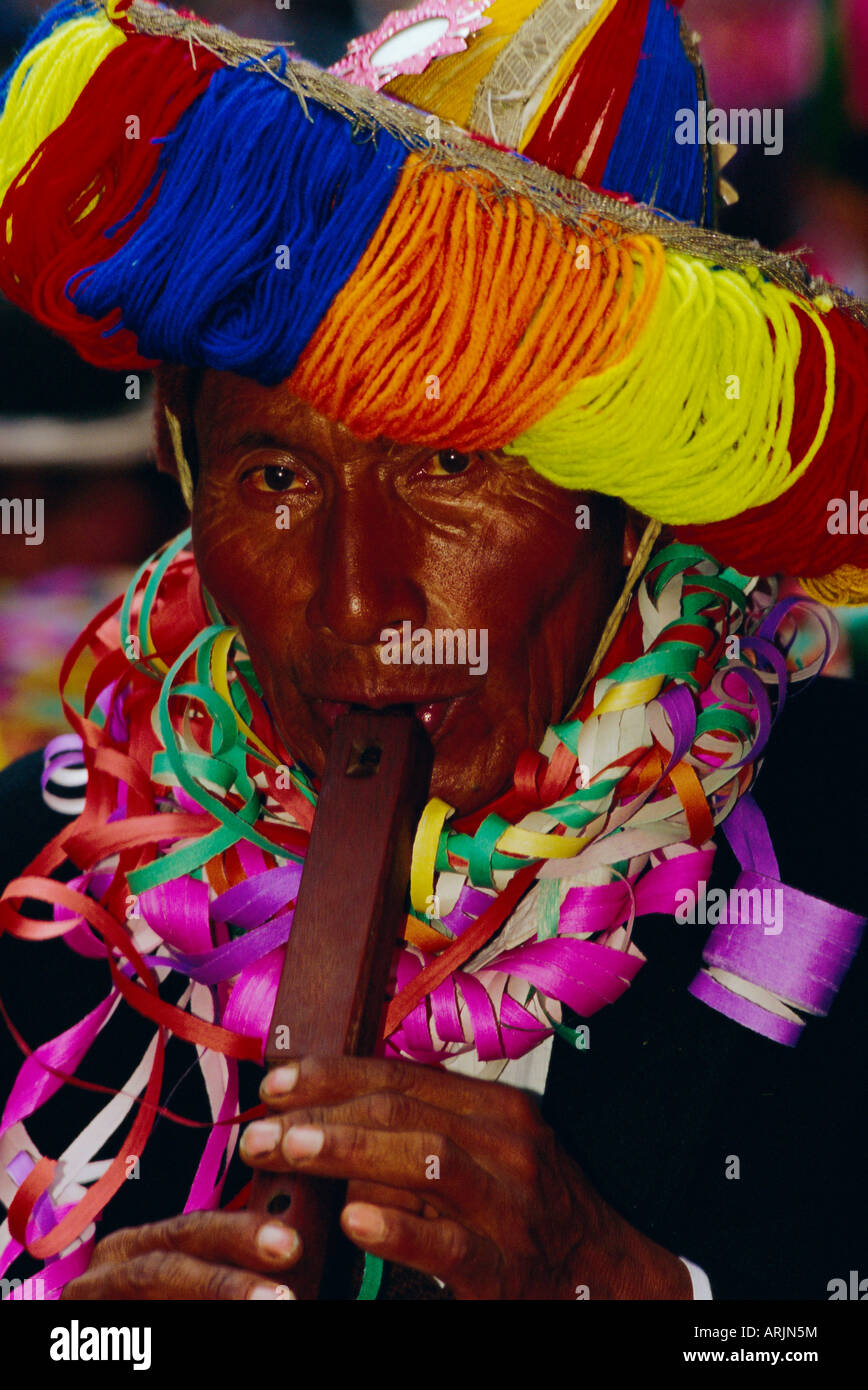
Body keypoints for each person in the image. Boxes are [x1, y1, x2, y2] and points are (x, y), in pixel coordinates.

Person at [0, 0, 866, 1302]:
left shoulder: (838, 836)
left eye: (452, 465)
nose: (355, 603)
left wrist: (622, 1285)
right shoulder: (31, 857)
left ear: (621, 507)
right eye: (279, 472)